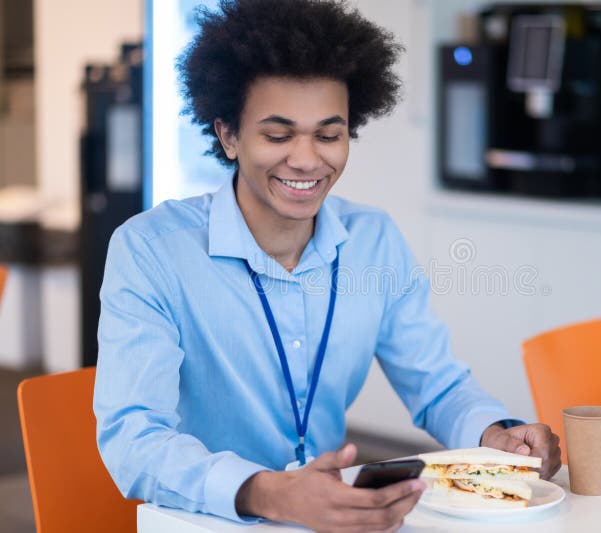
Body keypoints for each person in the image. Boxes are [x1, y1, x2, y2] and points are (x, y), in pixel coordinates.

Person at [94, 0, 561, 531]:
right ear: (228, 136)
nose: (307, 159)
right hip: (208, 520)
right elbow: (134, 439)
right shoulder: (153, 250)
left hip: (332, 518)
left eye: (328, 134)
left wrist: (494, 434)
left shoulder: (373, 239)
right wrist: (270, 493)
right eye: (277, 135)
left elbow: (438, 385)